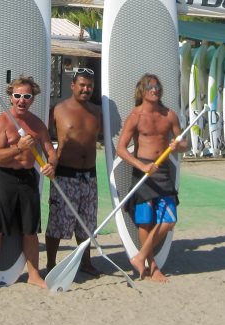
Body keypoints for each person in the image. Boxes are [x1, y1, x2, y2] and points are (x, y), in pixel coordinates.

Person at [0, 75, 56, 294]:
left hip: (27, 180)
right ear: (11, 97)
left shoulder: (36, 124)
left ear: (32, 98)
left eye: (26, 96)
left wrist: (52, 165)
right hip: (3, 178)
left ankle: (34, 274)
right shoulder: (1, 123)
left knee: (30, 230)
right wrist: (19, 148)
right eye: (17, 96)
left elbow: (51, 152)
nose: (22, 100)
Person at [116, 73, 186, 282]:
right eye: (149, 87)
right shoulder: (135, 116)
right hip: (142, 174)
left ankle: (140, 256)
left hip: (163, 173)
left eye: (156, 87)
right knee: (145, 222)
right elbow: (121, 149)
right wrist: (141, 165)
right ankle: (152, 267)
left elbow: (185, 144)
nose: (154, 90)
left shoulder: (170, 115)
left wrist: (179, 146)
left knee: (169, 220)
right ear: (142, 91)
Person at [45, 67, 101, 275]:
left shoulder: (97, 111)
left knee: (87, 223)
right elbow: (44, 139)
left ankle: (85, 262)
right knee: (58, 222)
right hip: (65, 174)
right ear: (73, 86)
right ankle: (51, 264)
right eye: (82, 85)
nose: (86, 89)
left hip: (89, 176)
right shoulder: (58, 110)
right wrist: (48, 162)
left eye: (90, 86)